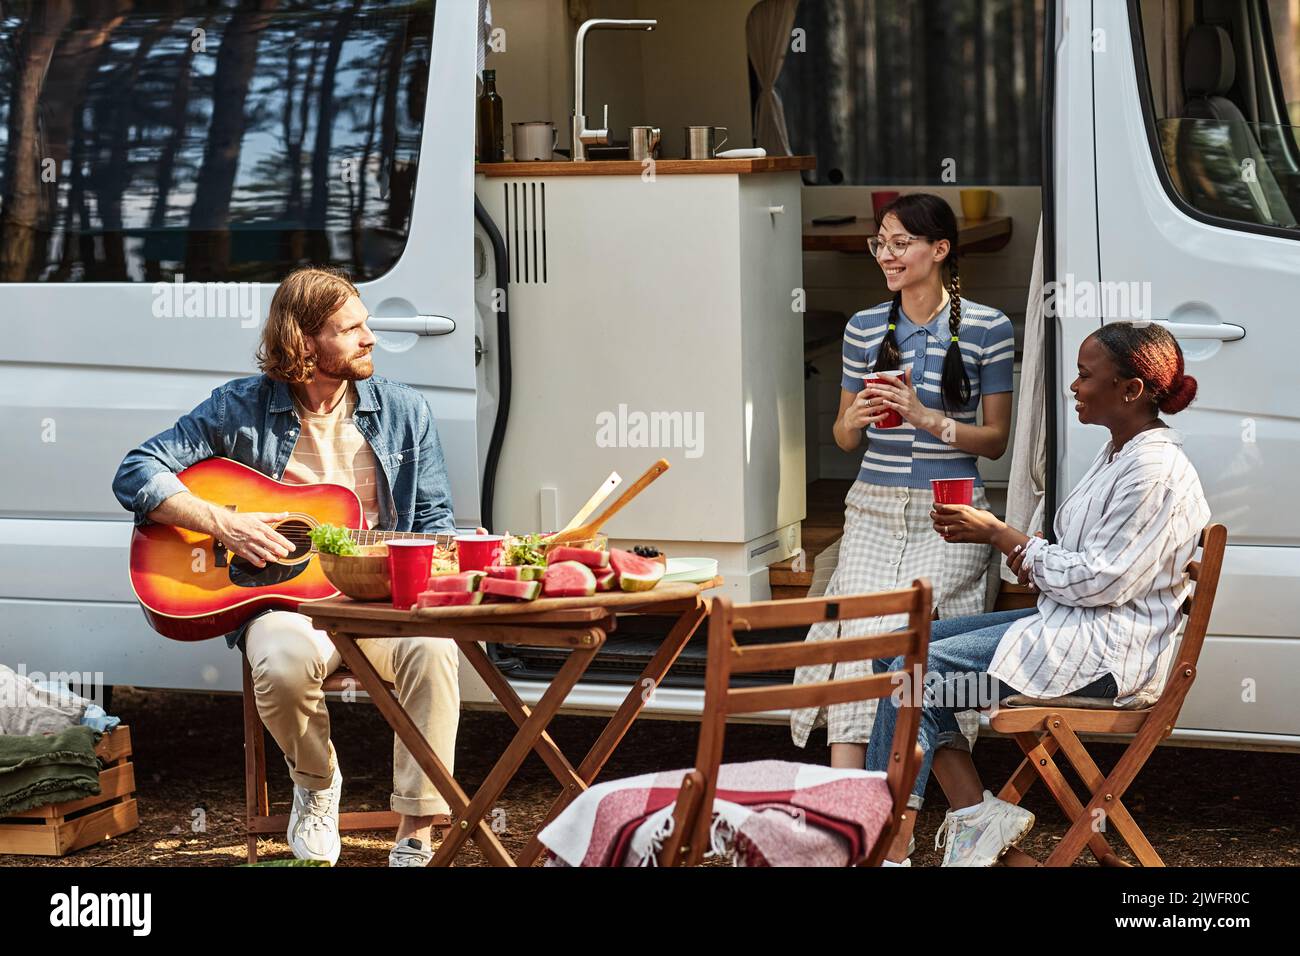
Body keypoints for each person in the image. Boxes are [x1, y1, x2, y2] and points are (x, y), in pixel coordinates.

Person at [113, 266, 461, 867]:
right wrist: (220, 522)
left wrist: (448, 555)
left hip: (378, 603)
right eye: (351, 328)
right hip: (286, 606)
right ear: (305, 343)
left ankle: (415, 826)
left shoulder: (405, 411)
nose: (370, 337)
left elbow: (433, 524)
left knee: (435, 649)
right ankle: (317, 784)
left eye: (366, 324)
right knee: (279, 657)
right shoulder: (239, 408)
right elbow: (136, 470)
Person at [866, 321, 1210, 866]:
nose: (1073, 386)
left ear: (1130, 390)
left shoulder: (1154, 471)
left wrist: (1005, 537)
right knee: (900, 649)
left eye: (1083, 374)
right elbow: (1084, 560)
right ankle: (975, 820)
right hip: (1070, 627)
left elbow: (1102, 581)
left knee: (914, 674)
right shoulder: (1120, 453)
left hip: (1105, 656)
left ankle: (887, 846)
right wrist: (1015, 545)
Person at [791, 194, 1016, 772]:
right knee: (856, 637)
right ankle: (847, 807)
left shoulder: (989, 327)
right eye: (880, 244)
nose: (885, 256)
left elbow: (994, 442)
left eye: (899, 244)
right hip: (873, 506)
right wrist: (854, 419)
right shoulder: (864, 327)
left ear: (939, 250)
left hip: (950, 511)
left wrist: (926, 418)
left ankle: (895, 803)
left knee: (908, 637)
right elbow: (844, 439)